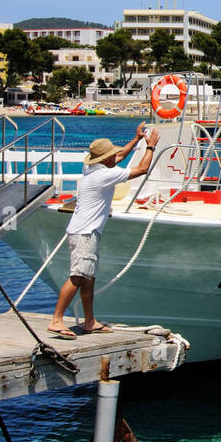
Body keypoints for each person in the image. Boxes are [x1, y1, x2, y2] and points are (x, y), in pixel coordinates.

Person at [48, 123, 159, 338]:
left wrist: (135, 140)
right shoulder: (103, 176)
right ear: (104, 158)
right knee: (78, 276)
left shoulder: (93, 168)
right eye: (111, 154)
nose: (115, 156)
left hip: (85, 232)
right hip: (84, 233)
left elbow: (119, 158)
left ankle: (89, 321)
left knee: (89, 278)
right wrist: (150, 147)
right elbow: (142, 169)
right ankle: (56, 320)